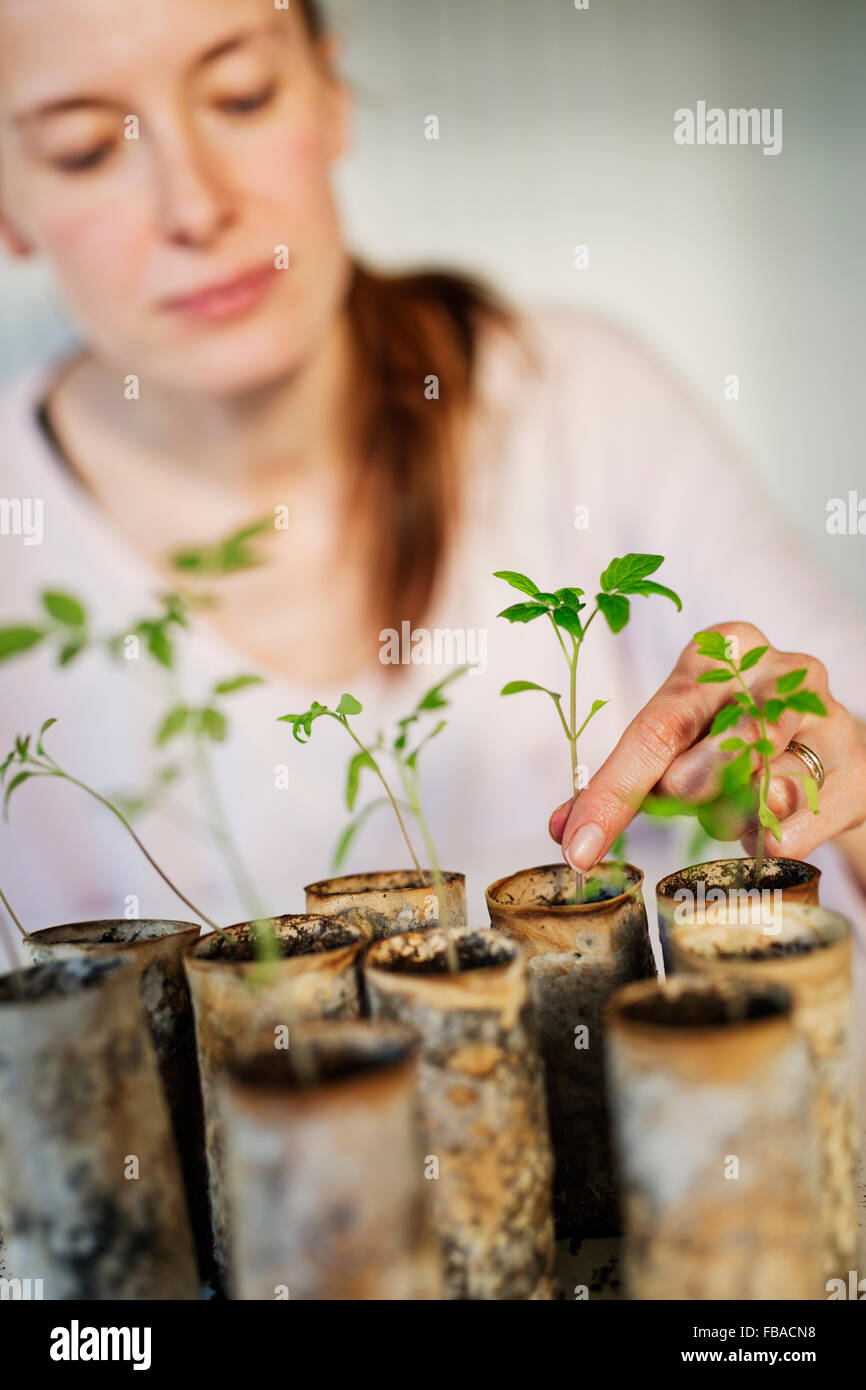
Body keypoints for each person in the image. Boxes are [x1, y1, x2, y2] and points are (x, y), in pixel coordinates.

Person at [0, 0, 864, 974]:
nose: (195, 208)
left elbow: (842, 773)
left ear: (330, 96)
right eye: (85, 150)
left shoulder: (577, 404)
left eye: (240, 96)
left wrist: (821, 789)